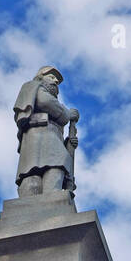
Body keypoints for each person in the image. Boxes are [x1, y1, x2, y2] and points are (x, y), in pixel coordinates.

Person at [13, 66, 79, 197]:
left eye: (57, 80)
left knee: (56, 163)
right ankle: (41, 199)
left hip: (51, 134)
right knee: (37, 171)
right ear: (41, 77)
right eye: (51, 77)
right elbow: (45, 102)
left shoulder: (46, 94)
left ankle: (53, 196)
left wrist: (68, 143)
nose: (55, 81)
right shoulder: (33, 87)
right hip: (39, 134)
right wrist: (68, 113)